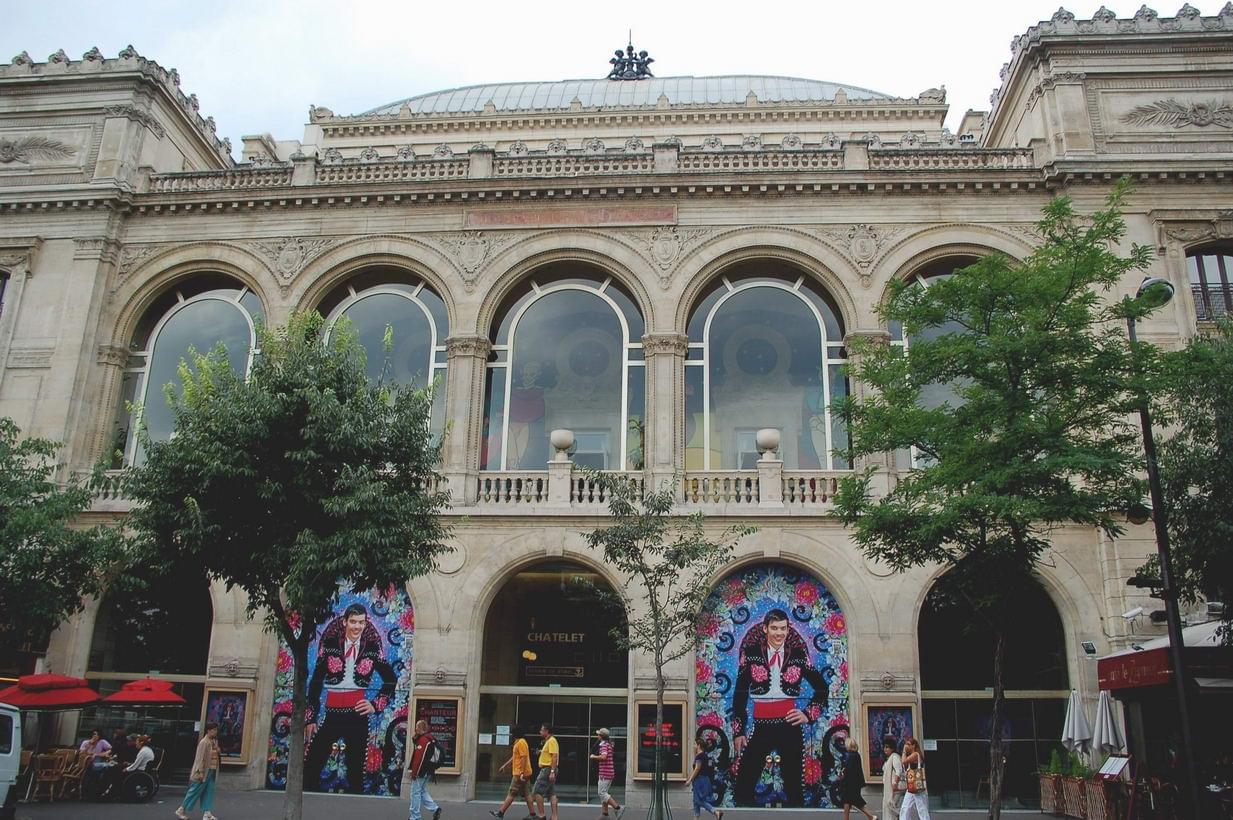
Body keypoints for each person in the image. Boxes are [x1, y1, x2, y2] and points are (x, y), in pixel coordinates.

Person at [731, 608, 829, 806]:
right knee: (744, 782)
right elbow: (740, 694)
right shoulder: (750, 654)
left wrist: (807, 714)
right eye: (774, 628)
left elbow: (822, 689)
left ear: (788, 629)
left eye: (783, 629)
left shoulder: (799, 655)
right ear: (765, 629)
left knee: (794, 783)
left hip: (789, 724)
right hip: (761, 724)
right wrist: (738, 732)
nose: (779, 633)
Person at [304, 602, 397, 793]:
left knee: (356, 770)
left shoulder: (372, 648)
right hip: (332, 713)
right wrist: (310, 718)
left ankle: (356, 806)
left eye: (361, 622)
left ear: (365, 623)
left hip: (358, 715)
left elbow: (390, 680)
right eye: (353, 622)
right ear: (345, 622)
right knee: (313, 762)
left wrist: (374, 705)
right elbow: (315, 683)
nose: (357, 627)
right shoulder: (330, 645)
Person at [176, 722, 220, 820]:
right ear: (208, 730)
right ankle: (181, 809)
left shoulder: (213, 741)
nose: (215, 732)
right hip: (204, 771)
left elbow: (217, 753)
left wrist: (217, 749)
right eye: (214, 730)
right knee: (195, 791)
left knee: (209, 791)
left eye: (216, 730)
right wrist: (200, 772)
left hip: (212, 770)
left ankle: (207, 812)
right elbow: (199, 758)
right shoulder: (204, 742)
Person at [490, 727, 536, 820]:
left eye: (512, 733)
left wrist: (522, 772)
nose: (511, 735)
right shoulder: (519, 742)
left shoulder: (521, 743)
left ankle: (500, 813)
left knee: (511, 793)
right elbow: (515, 756)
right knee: (527, 793)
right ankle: (532, 814)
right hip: (523, 773)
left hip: (519, 773)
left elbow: (523, 758)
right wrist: (505, 765)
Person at [407, 719, 442, 820]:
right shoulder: (430, 738)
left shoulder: (423, 741)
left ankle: (415, 816)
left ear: (421, 728)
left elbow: (419, 758)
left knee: (415, 793)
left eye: (417, 727)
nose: (415, 729)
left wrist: (415, 773)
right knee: (421, 791)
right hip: (428, 770)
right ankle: (435, 808)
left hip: (421, 771)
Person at [683, 739, 723, 820]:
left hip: (699, 780)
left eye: (695, 745)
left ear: (698, 746)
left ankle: (715, 812)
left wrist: (689, 780)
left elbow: (697, 769)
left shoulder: (699, 756)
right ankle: (696, 817)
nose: (693, 746)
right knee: (695, 801)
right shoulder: (705, 755)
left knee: (699, 800)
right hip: (704, 780)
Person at [589, 727, 623, 820]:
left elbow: (604, 757)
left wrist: (593, 757)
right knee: (604, 793)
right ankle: (605, 814)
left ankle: (617, 808)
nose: (597, 736)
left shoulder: (604, 745)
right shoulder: (608, 744)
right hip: (607, 772)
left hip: (605, 773)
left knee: (602, 793)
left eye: (598, 734)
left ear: (601, 736)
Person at [841, 737, 877, 820]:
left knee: (856, 802)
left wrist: (843, 774)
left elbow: (849, 770)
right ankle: (870, 817)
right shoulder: (856, 755)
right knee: (848, 802)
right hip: (854, 783)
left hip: (851, 784)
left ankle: (871, 816)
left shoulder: (851, 756)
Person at [532, 724, 560, 820]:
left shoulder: (552, 741)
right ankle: (554, 817)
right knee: (551, 793)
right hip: (549, 769)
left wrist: (552, 771)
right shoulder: (549, 741)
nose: (540, 731)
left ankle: (541, 815)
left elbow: (554, 756)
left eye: (541, 730)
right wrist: (541, 752)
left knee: (537, 792)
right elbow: (549, 754)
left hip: (547, 769)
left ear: (547, 731)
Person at [899, 738, 931, 820]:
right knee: (905, 807)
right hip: (912, 785)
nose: (907, 746)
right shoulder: (913, 755)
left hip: (917, 784)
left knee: (921, 808)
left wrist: (904, 751)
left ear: (914, 745)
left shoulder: (916, 754)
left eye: (909, 744)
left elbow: (904, 761)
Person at [881, 737, 905, 820]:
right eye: (884, 747)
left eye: (887, 747)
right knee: (889, 806)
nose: (885, 749)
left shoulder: (895, 757)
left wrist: (895, 783)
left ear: (892, 748)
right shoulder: (889, 758)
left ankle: (902, 815)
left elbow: (899, 770)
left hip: (895, 787)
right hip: (889, 787)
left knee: (891, 806)